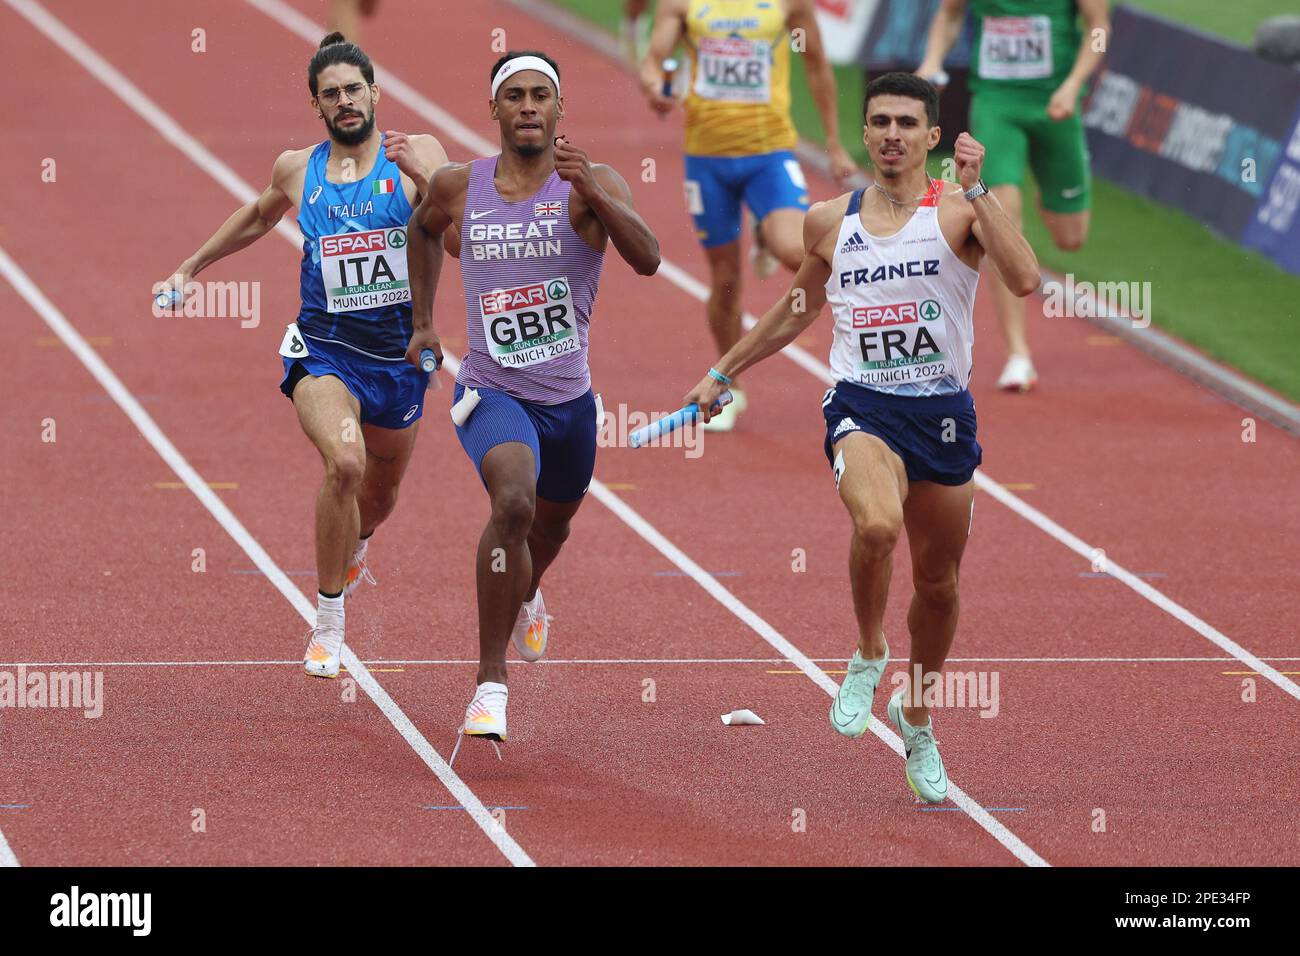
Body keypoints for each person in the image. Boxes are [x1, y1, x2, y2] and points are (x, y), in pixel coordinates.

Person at [682, 73, 1039, 801]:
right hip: (862, 408)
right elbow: (793, 310)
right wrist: (723, 370)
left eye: (907, 123)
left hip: (942, 415)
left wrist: (976, 191)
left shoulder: (959, 214)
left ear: (932, 137)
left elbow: (1027, 277)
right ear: (865, 131)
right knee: (876, 527)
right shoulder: (828, 221)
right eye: (879, 122)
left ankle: (918, 717)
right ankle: (871, 650)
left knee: (938, 585)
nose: (891, 136)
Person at [155, 34, 448, 679]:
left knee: (380, 494)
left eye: (354, 89)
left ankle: (358, 544)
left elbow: (457, 242)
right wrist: (191, 267)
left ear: (375, 92)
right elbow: (260, 217)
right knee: (345, 461)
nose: (345, 102)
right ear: (316, 104)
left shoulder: (417, 154)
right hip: (324, 353)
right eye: (331, 94)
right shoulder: (297, 167)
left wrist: (429, 186)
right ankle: (328, 615)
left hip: (398, 363)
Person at [405, 51, 660, 744]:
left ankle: (525, 592)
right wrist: (424, 320)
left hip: (570, 403)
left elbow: (648, 258)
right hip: (491, 392)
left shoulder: (590, 184)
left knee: (548, 530)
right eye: (513, 95)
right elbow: (423, 227)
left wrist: (598, 195)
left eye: (539, 96)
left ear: (558, 110)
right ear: (493, 109)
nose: (526, 106)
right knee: (512, 503)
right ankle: (490, 683)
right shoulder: (461, 185)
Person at [640, 0, 859, 431]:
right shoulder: (682, 5)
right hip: (708, 160)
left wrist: (834, 142)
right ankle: (730, 387)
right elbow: (654, 61)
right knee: (725, 278)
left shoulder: (788, 5)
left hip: (769, 154)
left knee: (795, 251)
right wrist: (656, 86)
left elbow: (816, 66)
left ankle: (766, 227)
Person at [917, 0, 1111, 391]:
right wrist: (931, 61)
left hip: (1057, 102)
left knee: (1070, 237)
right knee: (1001, 214)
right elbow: (951, 14)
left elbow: (1098, 28)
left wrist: (1074, 85)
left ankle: (1043, 187)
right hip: (996, 102)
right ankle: (1018, 354)